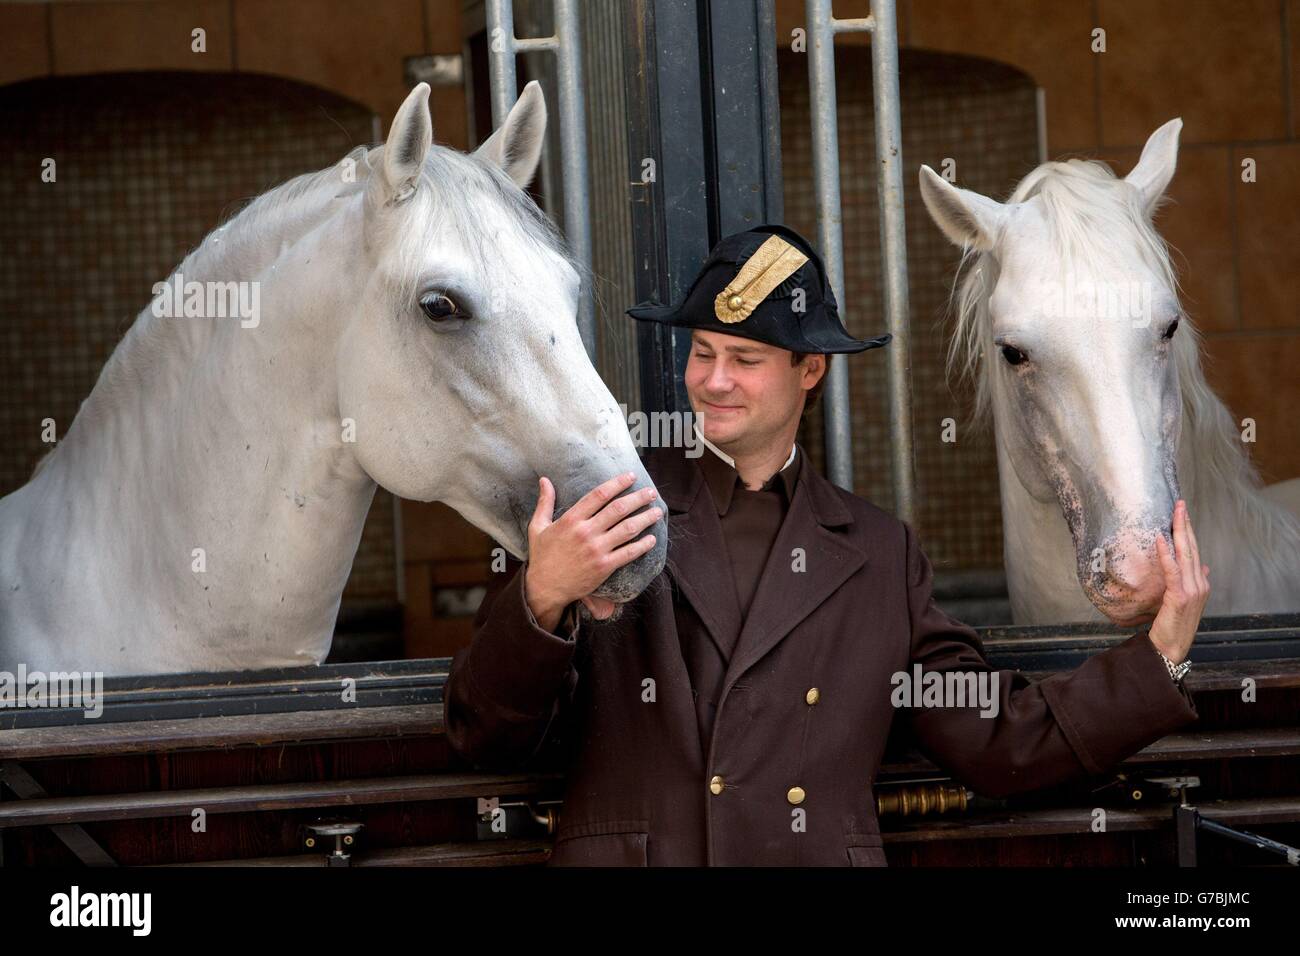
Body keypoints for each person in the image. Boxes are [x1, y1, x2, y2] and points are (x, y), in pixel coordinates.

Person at [444, 224, 1208, 866]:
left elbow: (992, 739)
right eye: (702, 352)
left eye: (744, 360)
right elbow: (486, 735)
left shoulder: (878, 553)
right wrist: (542, 597)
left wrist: (1160, 656)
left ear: (810, 370)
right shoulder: (603, 508)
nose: (713, 380)